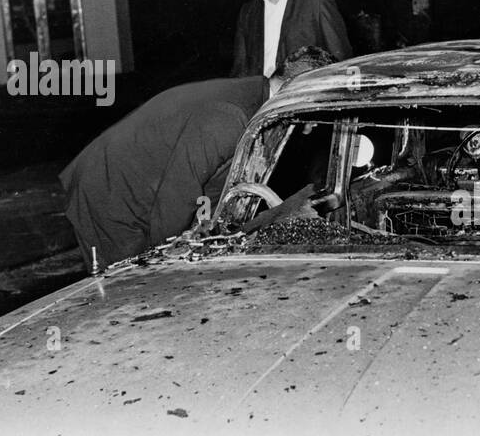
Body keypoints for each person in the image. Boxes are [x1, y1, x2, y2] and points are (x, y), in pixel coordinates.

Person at [61, 48, 327, 271]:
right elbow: (176, 197)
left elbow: (212, 186)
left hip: (142, 189)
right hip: (111, 192)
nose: (314, 122)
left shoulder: (253, 103)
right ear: (295, 89)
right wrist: (167, 261)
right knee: (131, 288)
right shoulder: (229, 117)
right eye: (315, 102)